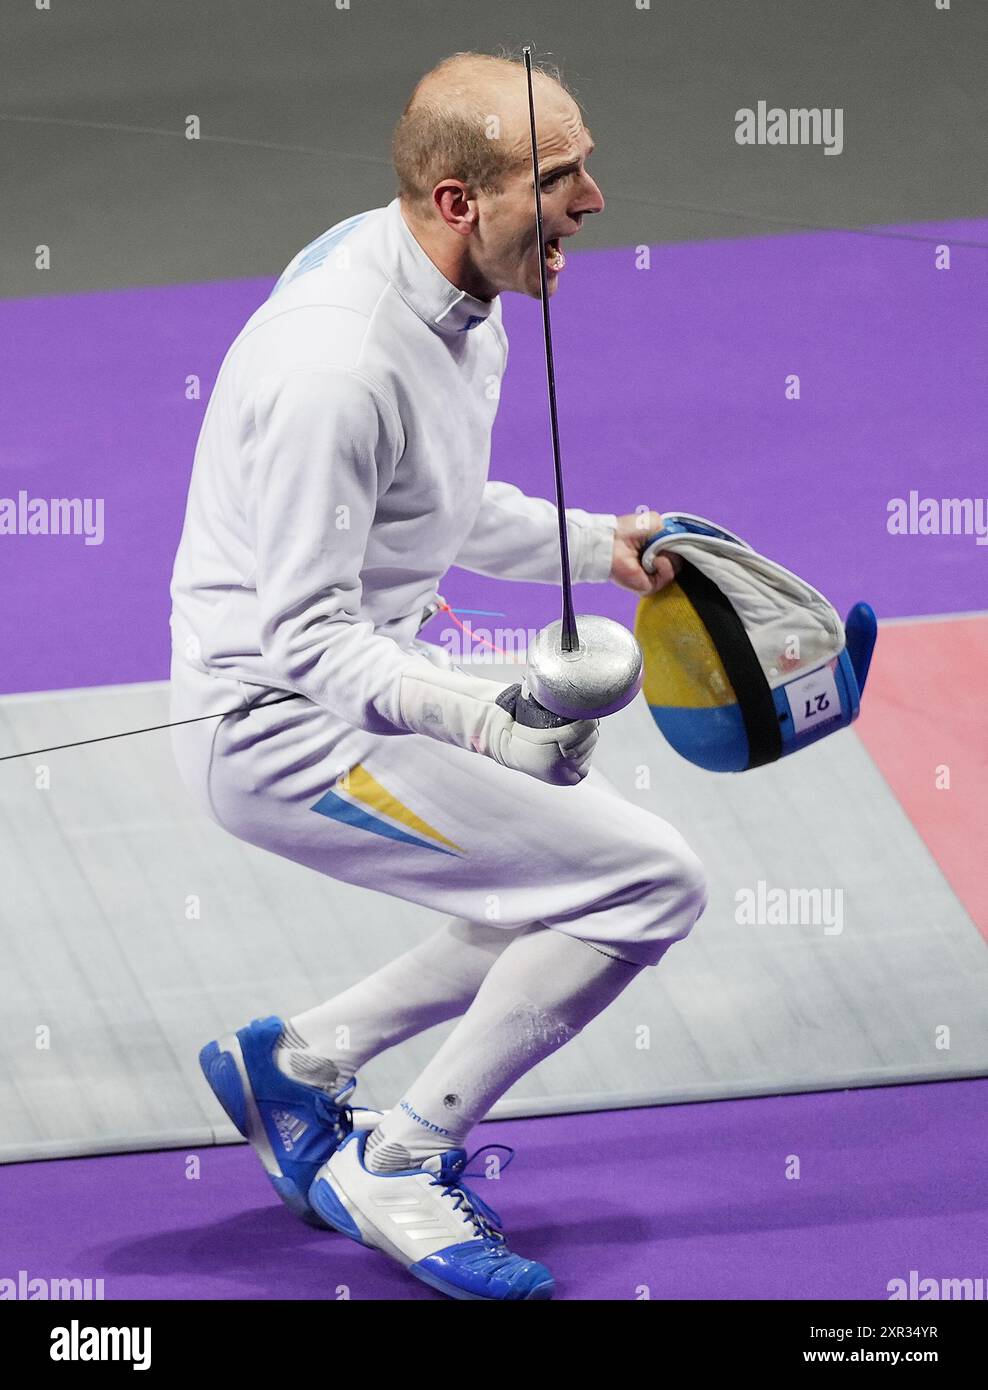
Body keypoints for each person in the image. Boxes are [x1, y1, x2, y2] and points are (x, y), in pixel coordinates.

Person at [169, 49, 707, 1302]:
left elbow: (430, 506)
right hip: (279, 729)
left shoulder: (449, 290)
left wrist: (600, 549)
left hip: (362, 677)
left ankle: (296, 1067)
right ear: (460, 199)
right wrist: (486, 715)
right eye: (562, 177)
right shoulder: (336, 370)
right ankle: (400, 1160)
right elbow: (304, 639)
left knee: (564, 878)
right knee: (646, 882)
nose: (595, 202)